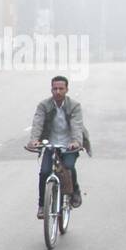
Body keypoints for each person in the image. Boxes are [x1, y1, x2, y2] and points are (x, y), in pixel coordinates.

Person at [26, 75, 87, 218]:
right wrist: (35, 140)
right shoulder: (43, 105)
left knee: (69, 167)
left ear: (67, 90)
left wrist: (76, 142)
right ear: (51, 89)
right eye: (55, 88)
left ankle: (75, 191)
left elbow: (77, 126)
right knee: (44, 172)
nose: (58, 91)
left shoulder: (74, 106)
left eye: (61, 88)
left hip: (69, 145)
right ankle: (42, 206)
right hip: (50, 145)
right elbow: (38, 123)